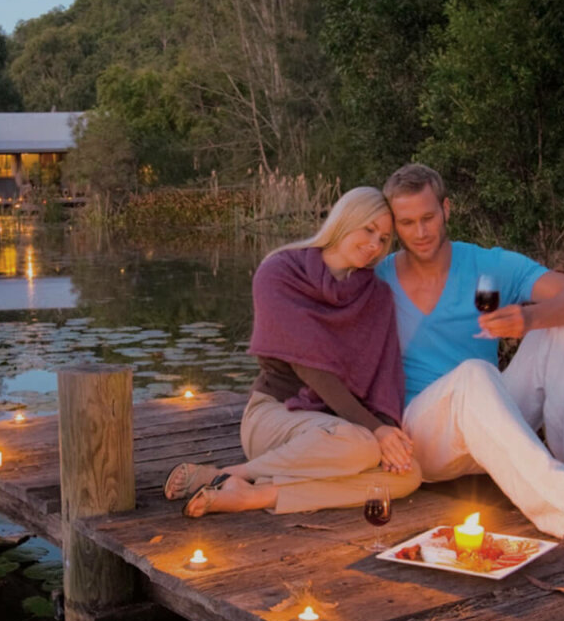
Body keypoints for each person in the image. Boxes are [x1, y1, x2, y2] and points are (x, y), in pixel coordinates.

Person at [374, 163, 564, 554]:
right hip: (426, 438)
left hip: (494, 421)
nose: (421, 232)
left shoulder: (489, 265)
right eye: (407, 223)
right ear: (395, 225)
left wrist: (530, 317)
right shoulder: (379, 277)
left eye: (428, 217)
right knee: (474, 373)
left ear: (447, 209)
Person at [165, 186, 422, 517]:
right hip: (276, 415)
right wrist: (377, 432)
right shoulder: (280, 271)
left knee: (409, 473)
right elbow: (309, 367)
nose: (374, 244)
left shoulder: (377, 297)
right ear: (345, 219)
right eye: (369, 229)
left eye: (384, 239)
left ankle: (256, 494)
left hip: (340, 430)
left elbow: (384, 377)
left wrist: (387, 437)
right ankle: (231, 474)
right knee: (360, 445)